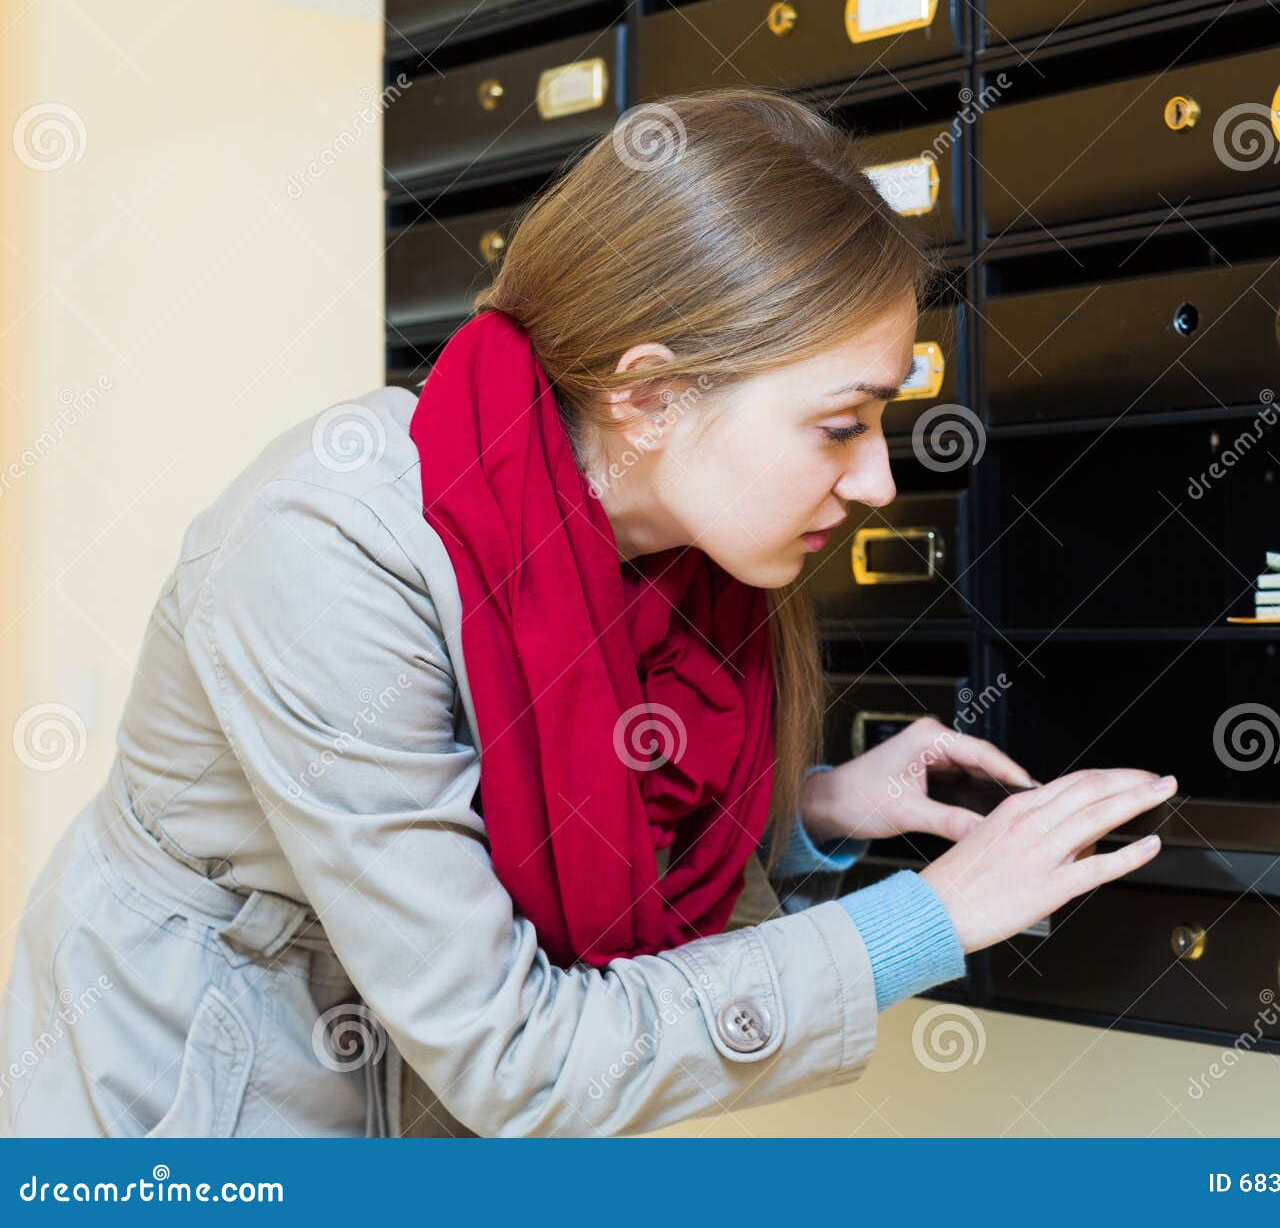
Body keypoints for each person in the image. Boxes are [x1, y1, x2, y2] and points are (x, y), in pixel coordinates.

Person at [0, 87, 1171, 1138]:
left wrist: (811, 811)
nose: (876, 480)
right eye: (837, 424)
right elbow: (516, 1054)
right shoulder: (324, 550)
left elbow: (583, 830)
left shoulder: (679, 558)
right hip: (202, 1104)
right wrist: (932, 915)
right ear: (649, 397)